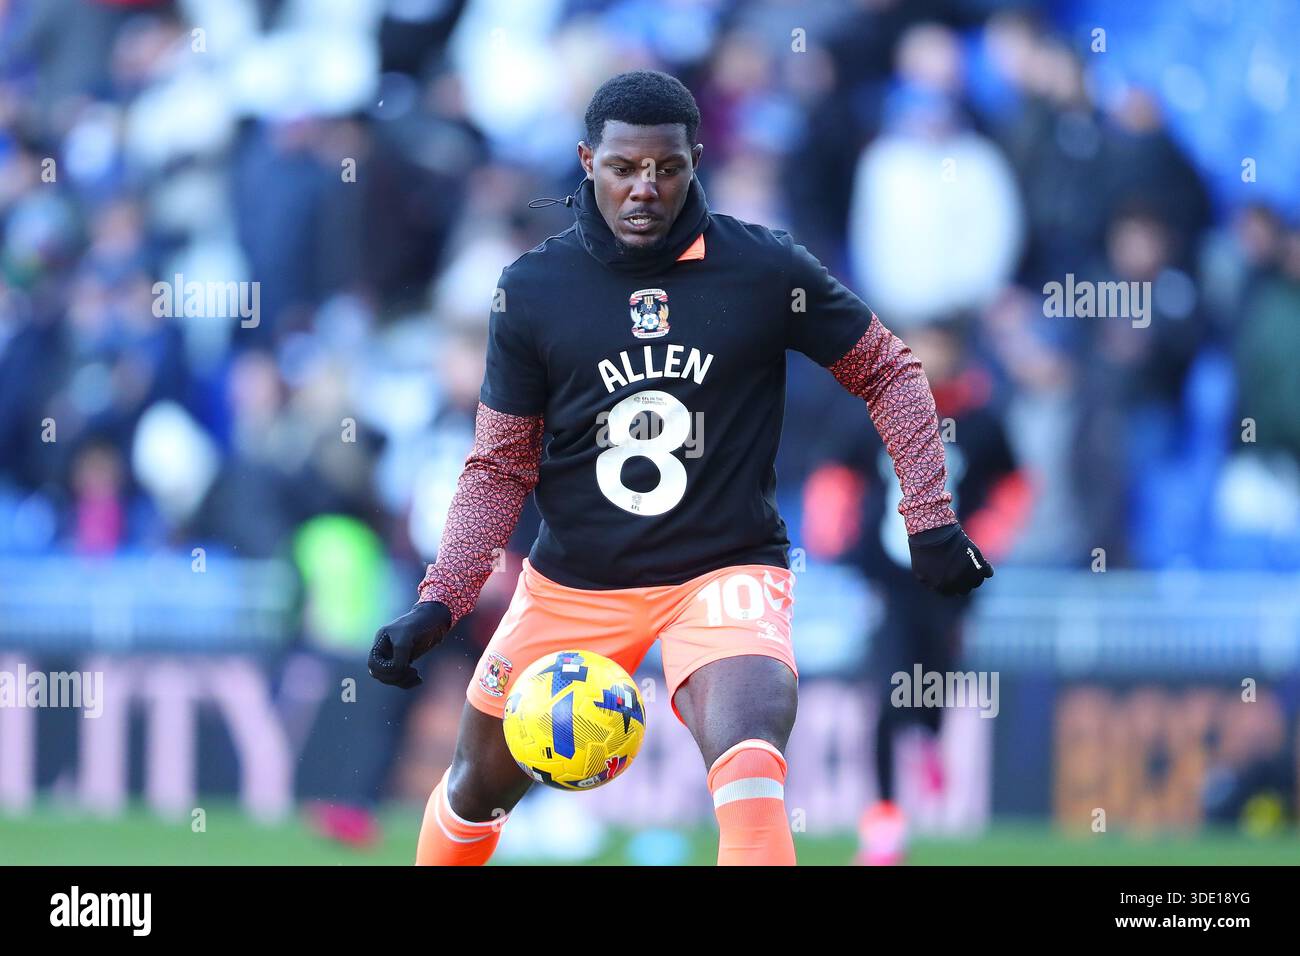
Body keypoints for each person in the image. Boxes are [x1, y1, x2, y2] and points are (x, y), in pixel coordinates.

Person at [367, 70, 992, 866]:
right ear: (588, 160)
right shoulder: (532, 290)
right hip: (577, 583)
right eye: (623, 168)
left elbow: (890, 371)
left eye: (666, 168)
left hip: (724, 572)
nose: (644, 190)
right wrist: (442, 599)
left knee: (751, 759)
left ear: (696, 161)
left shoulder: (763, 268)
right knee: (475, 787)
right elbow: (498, 464)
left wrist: (929, 515)